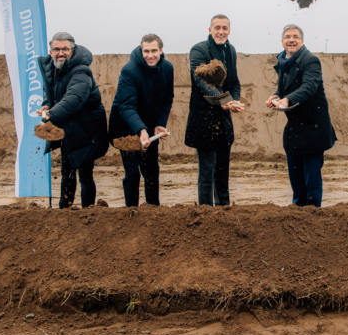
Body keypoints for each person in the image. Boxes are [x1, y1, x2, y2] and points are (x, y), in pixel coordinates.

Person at [266, 24, 337, 207]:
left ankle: (313, 212)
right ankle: (298, 213)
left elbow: (309, 87)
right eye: (288, 37)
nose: (292, 40)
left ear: (302, 41)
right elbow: (286, 86)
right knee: (296, 177)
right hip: (295, 127)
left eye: (296, 37)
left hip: (313, 127)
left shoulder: (310, 60)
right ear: (282, 42)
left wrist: (287, 100)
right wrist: (277, 95)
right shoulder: (283, 62)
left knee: (312, 178)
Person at [39, 32, 109, 209]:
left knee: (85, 175)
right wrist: (47, 106)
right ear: (51, 51)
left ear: (73, 50)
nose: (60, 53)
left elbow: (74, 98)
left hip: (87, 129)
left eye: (65, 49)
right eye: (57, 49)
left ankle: (88, 212)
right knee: (67, 172)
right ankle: (65, 212)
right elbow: (52, 94)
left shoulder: (81, 70)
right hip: (69, 128)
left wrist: (50, 117)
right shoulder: (53, 69)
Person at [184, 14, 244, 205]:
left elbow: (234, 81)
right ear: (210, 30)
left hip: (224, 119)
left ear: (229, 30)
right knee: (207, 172)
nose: (221, 31)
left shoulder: (231, 50)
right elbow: (201, 80)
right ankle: (205, 213)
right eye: (217, 28)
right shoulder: (199, 50)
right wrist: (222, 100)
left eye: (225, 28)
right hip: (204, 118)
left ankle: (224, 210)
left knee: (222, 172)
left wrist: (234, 101)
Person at [109, 34, 174, 208]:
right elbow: (126, 106)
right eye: (146, 51)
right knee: (133, 172)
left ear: (161, 50)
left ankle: (153, 210)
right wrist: (141, 130)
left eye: (154, 50)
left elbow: (167, 98)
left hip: (149, 127)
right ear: (141, 50)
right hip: (126, 127)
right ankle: (132, 212)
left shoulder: (167, 68)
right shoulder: (129, 70)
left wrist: (160, 123)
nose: (150, 55)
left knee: (152, 170)